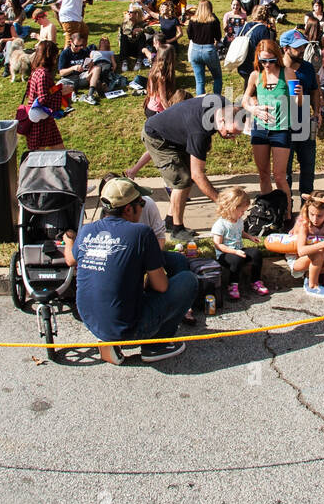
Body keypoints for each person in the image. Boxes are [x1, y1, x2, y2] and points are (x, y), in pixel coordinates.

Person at [70, 178, 197, 365]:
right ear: (128, 209)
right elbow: (161, 287)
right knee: (189, 280)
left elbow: (72, 259)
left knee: (176, 259)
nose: (143, 207)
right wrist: (148, 281)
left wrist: (68, 237)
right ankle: (156, 344)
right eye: (141, 203)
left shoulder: (86, 230)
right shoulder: (141, 233)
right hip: (128, 326)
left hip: (92, 321)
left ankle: (109, 338)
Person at [141, 94, 243, 243]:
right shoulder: (199, 132)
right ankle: (177, 229)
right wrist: (222, 203)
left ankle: (170, 221)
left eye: (235, 135)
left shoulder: (222, 102)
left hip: (178, 135)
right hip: (158, 137)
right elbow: (198, 175)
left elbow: (201, 96)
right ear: (221, 120)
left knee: (186, 176)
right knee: (183, 180)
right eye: (229, 133)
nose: (231, 138)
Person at [242, 39, 295, 217]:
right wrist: (253, 109)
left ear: (277, 58)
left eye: (271, 61)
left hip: (281, 128)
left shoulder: (287, 73)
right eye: (263, 60)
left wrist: (299, 95)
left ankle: (287, 213)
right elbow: (245, 100)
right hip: (260, 128)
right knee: (263, 173)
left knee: (279, 175)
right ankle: (267, 212)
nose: (267, 65)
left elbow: (298, 102)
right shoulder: (255, 75)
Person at [280, 29, 322, 200]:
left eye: (303, 46)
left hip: (305, 120)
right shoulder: (276, 69)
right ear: (285, 48)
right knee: (285, 170)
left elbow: (314, 91)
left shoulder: (307, 68)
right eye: (297, 47)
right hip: (283, 122)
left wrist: (317, 112)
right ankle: (286, 206)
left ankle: (308, 208)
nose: (302, 50)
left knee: (308, 168)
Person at [211, 186, 269, 300]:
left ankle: (256, 281)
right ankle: (233, 285)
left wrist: (250, 237)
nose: (242, 214)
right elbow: (218, 244)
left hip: (238, 250)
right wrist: (234, 251)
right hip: (225, 254)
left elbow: (240, 232)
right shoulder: (220, 224)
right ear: (231, 208)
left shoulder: (238, 221)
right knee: (236, 260)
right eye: (241, 211)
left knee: (256, 254)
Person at [291, 189, 324, 298]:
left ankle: (309, 277)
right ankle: (313, 286)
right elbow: (301, 251)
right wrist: (323, 244)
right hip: (297, 260)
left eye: (320, 216)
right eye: (312, 214)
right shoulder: (304, 224)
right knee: (319, 252)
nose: (315, 219)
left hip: (315, 259)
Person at [21, 41, 65, 154]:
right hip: (40, 121)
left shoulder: (36, 72)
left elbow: (43, 92)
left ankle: (60, 171)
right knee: (37, 155)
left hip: (46, 119)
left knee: (60, 152)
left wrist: (58, 88)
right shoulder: (43, 74)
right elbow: (42, 99)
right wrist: (61, 92)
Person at [57, 32, 107, 105]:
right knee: (54, 89)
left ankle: (90, 95)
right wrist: (73, 68)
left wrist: (91, 64)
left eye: (81, 46)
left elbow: (90, 64)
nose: (79, 48)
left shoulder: (84, 51)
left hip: (82, 77)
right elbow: (61, 72)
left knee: (97, 68)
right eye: (76, 46)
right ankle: (70, 95)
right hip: (69, 79)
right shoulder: (65, 53)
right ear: (71, 42)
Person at [187, 0, 223, 95]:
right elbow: (218, 37)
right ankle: (217, 101)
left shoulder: (192, 20)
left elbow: (189, 36)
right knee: (217, 77)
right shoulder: (213, 20)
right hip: (209, 50)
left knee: (199, 81)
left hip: (195, 49)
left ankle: (200, 103)